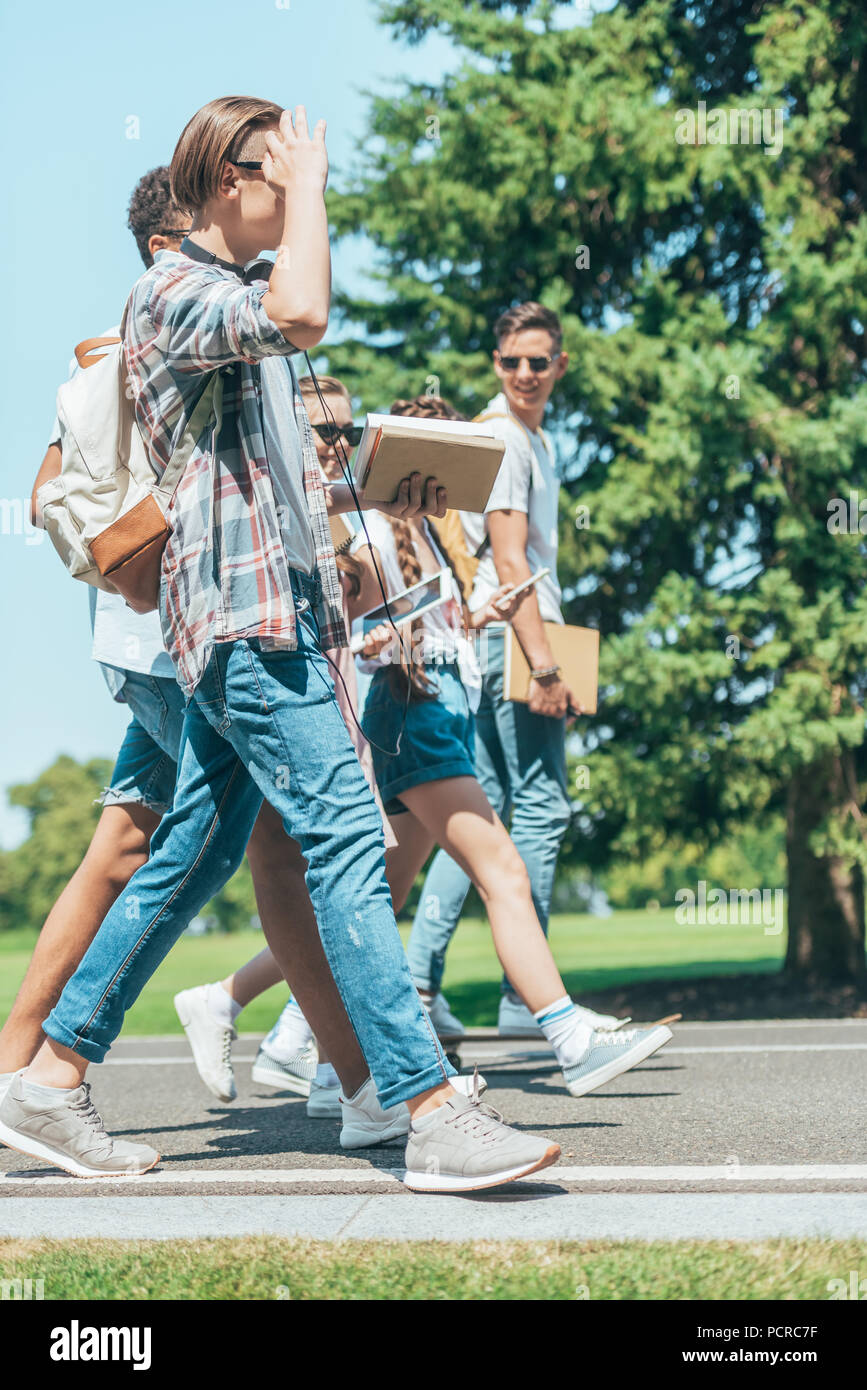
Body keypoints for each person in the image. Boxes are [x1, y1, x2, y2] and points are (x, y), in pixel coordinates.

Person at [0, 97, 559, 1195]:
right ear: (225, 181)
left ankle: (52, 1076)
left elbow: (265, 474)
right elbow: (307, 311)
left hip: (264, 618)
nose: (297, 184)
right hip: (249, 629)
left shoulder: (229, 307)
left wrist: (376, 476)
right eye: (276, 170)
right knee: (349, 839)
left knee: (195, 853)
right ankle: (427, 1105)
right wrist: (312, 183)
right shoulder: (178, 293)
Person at [341, 396, 671, 1098]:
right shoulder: (371, 535)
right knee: (503, 871)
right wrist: (385, 637)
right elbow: (357, 632)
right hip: (416, 709)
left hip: (433, 706)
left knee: (375, 892)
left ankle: (304, 1053)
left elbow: (426, 623)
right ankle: (565, 1034)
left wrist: (471, 615)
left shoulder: (427, 536)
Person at [407, 305, 600, 1039]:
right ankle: (528, 997)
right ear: (496, 363)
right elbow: (509, 559)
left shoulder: (534, 439)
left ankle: (422, 986)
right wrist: (543, 664)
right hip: (519, 633)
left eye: (538, 362)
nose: (525, 374)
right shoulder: (505, 437)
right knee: (544, 806)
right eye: (512, 361)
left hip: (512, 633)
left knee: (480, 815)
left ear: (559, 366)